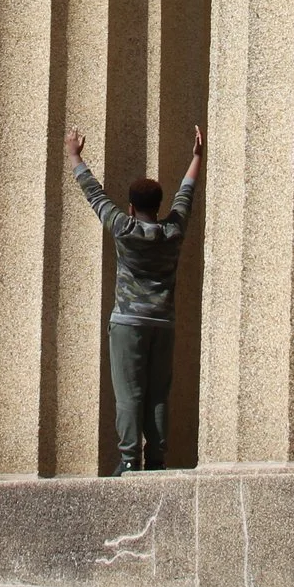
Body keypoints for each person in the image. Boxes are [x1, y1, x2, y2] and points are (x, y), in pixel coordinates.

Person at [63, 122, 204, 472]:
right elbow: (187, 193)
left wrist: (74, 155)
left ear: (130, 207)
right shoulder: (172, 230)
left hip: (128, 323)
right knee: (158, 395)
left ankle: (129, 461)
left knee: (129, 394)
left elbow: (94, 194)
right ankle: (156, 460)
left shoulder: (123, 229)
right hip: (163, 322)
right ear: (158, 206)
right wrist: (197, 156)